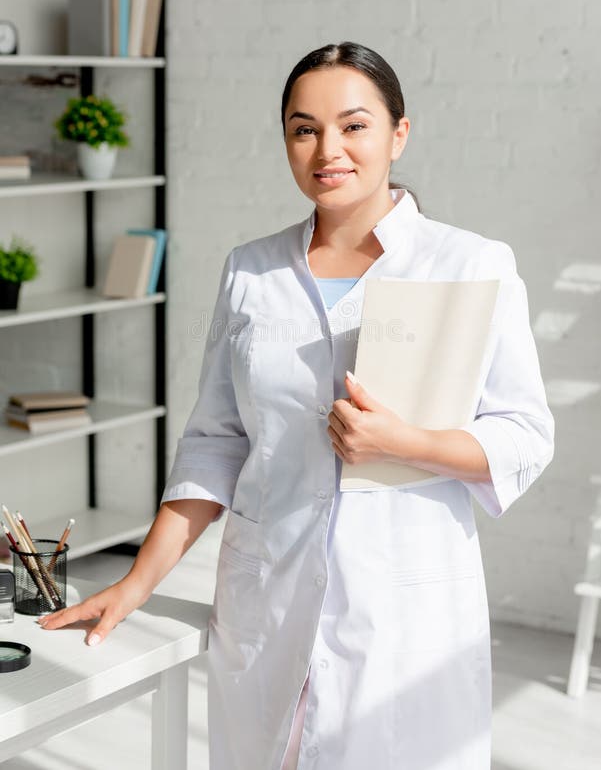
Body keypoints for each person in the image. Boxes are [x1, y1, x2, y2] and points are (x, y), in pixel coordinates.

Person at [39, 42, 555, 770]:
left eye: (353, 126)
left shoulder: (470, 263)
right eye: (303, 128)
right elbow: (214, 441)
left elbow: (525, 433)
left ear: (397, 133)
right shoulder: (250, 269)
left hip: (403, 610)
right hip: (267, 596)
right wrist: (135, 583)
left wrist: (405, 443)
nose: (327, 150)